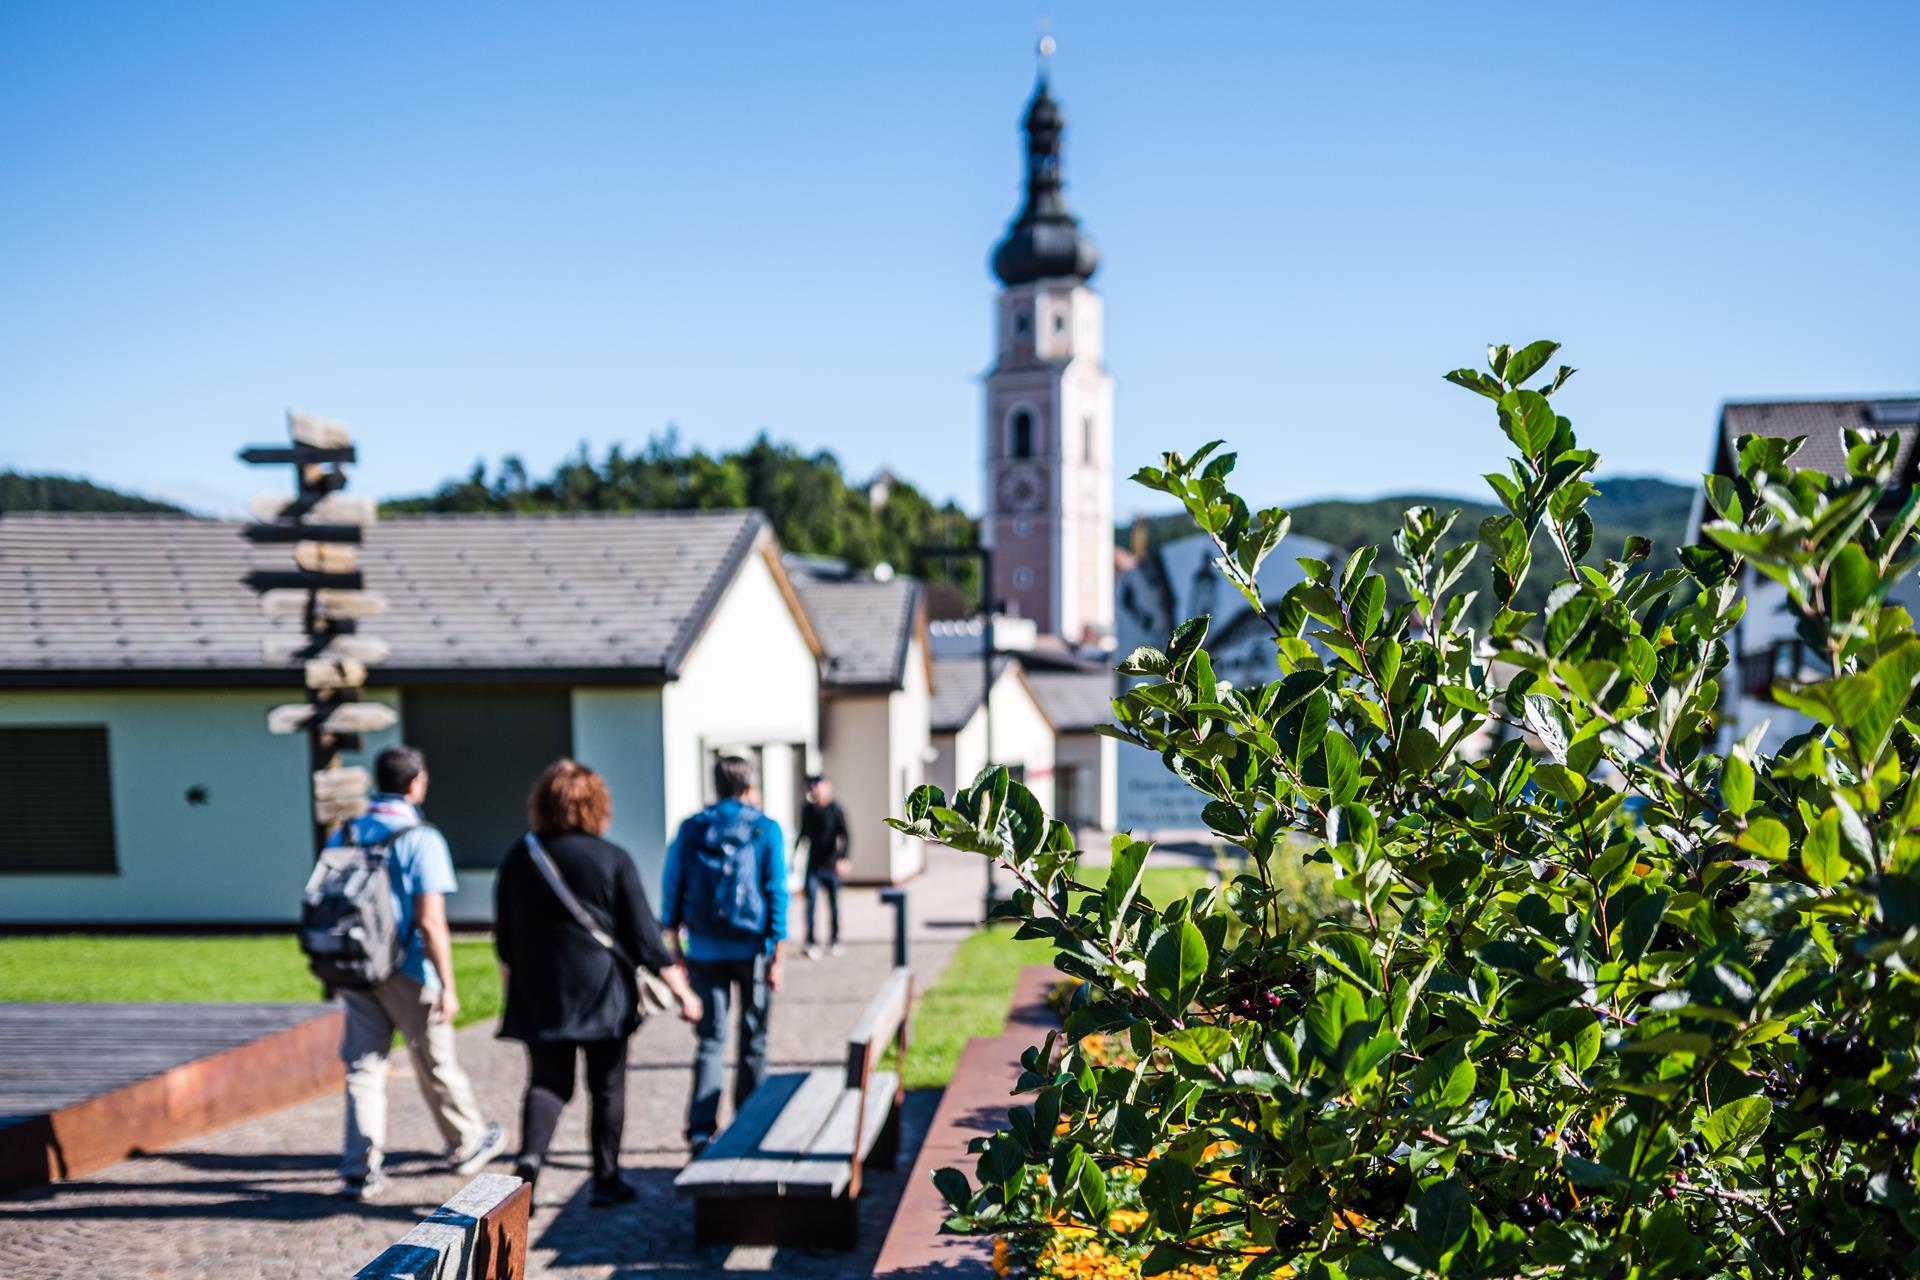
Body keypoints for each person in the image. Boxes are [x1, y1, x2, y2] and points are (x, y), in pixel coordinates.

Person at [494, 759, 702, 1206]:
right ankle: (606, 1181)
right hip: (604, 993)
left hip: (542, 992)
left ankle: (528, 1165)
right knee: (607, 1086)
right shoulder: (612, 858)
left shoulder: (520, 857)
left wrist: (512, 990)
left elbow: (505, 939)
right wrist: (683, 991)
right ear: (597, 805)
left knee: (547, 1083)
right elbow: (645, 939)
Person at [334, 745, 506, 1201]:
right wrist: (447, 984)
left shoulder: (346, 831)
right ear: (416, 782)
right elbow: (430, 921)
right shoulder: (420, 837)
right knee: (435, 1061)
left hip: (357, 966)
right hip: (408, 967)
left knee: (364, 1068)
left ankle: (359, 1167)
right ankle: (466, 1142)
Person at [659, 755, 788, 1153]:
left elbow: (672, 884)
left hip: (704, 948)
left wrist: (675, 947)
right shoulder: (765, 828)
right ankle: (749, 1124)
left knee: (711, 1040)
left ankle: (701, 1130)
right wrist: (778, 955)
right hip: (753, 949)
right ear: (749, 785)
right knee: (753, 1040)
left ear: (715, 785)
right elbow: (776, 890)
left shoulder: (692, 828)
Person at [795, 775, 849, 958]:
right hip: (813, 865)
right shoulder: (807, 810)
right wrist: (794, 857)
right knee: (810, 904)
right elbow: (802, 834)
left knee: (833, 905)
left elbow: (845, 835)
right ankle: (810, 942)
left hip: (831, 864)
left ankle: (835, 940)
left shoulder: (835, 809)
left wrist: (843, 858)